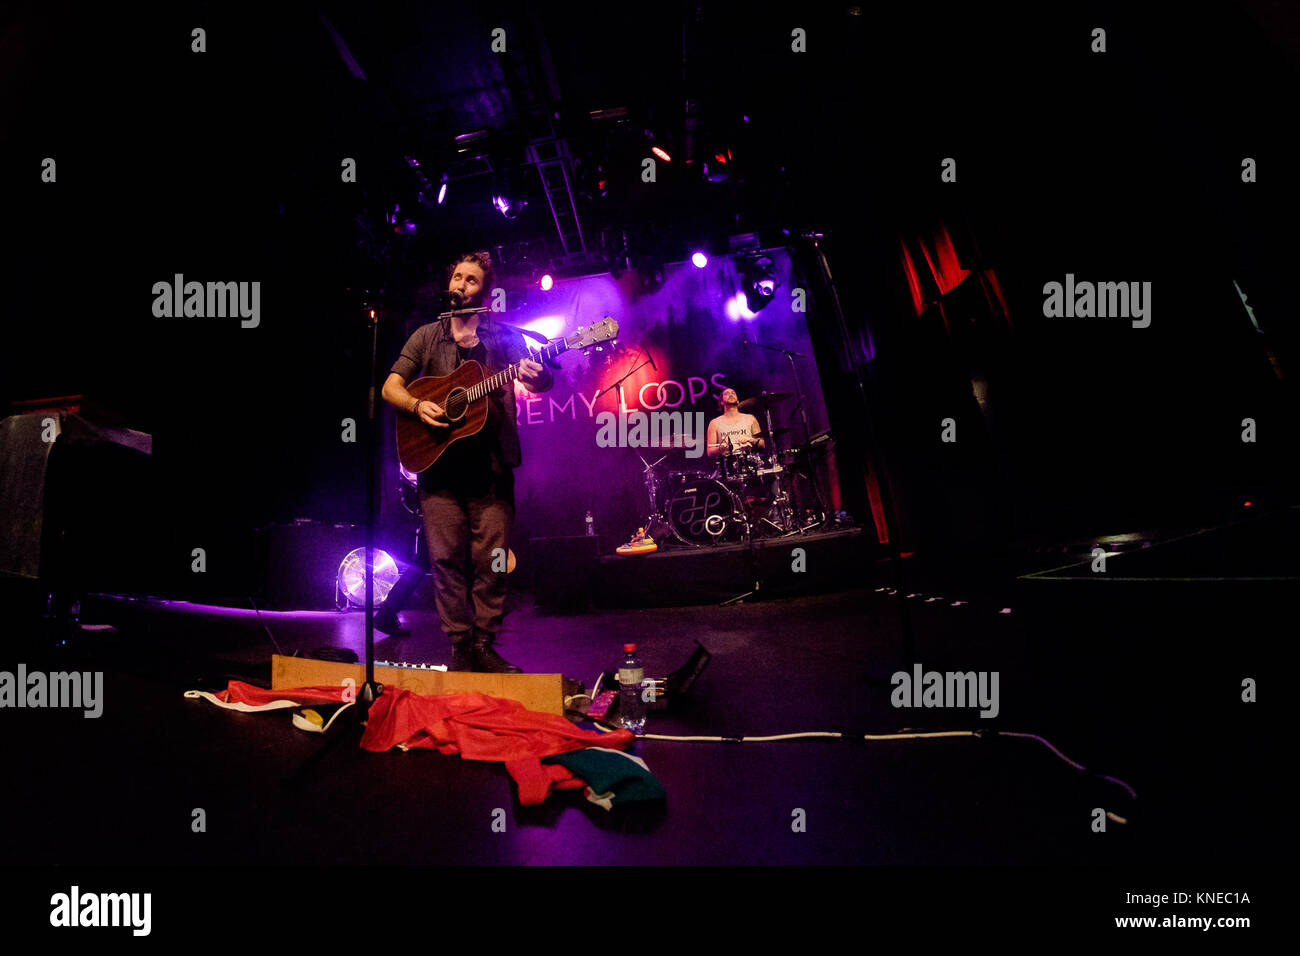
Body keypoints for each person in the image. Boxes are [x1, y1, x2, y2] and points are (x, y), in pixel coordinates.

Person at [380, 250, 552, 672]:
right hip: (439, 472)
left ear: (486, 292)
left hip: (490, 471)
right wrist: (419, 407)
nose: (460, 284)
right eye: (457, 276)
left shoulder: (505, 338)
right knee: (445, 561)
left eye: (471, 280)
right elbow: (390, 387)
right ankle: (459, 645)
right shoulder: (426, 337)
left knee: (493, 561)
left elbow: (546, 378)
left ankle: (484, 643)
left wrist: (539, 376)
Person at [706, 387, 765, 461]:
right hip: (728, 465)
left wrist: (750, 440)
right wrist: (722, 448)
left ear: (738, 401)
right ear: (721, 402)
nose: (730, 394)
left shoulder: (750, 418)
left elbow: (762, 444)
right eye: (727, 394)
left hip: (749, 462)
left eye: (733, 393)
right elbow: (709, 452)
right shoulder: (714, 423)